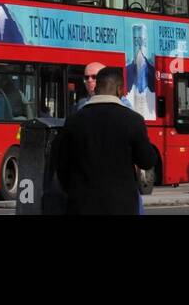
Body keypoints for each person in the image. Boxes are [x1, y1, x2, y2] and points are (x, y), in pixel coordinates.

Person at [53, 67, 156, 215]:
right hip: (121, 205)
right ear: (120, 90)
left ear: (96, 88)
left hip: (81, 205)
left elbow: (61, 164)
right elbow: (147, 161)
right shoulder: (133, 120)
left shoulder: (73, 121)